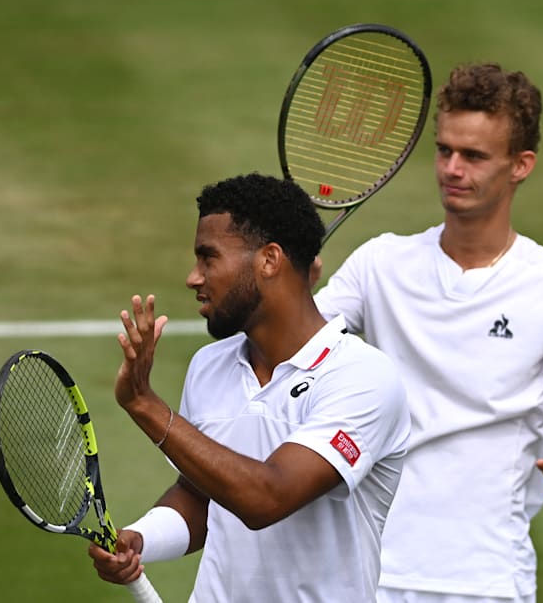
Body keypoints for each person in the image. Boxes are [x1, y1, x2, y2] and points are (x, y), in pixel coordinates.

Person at [313, 63, 543, 602]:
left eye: (474, 156)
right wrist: (290, 286)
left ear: (521, 166)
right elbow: (291, 351)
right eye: (445, 150)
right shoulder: (379, 264)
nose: (453, 169)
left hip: (488, 580)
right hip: (370, 573)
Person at [89, 172, 411, 602]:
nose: (193, 277)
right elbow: (203, 495)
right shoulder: (208, 366)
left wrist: (145, 405)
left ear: (269, 260)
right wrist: (142, 537)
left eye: (209, 258)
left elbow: (266, 498)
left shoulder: (363, 378)